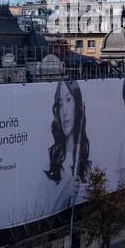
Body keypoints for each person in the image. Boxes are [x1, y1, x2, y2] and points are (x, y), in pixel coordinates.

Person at [41, 79, 92, 217]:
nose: (64, 112)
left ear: (78, 104)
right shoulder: (50, 162)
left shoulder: (90, 161)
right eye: (60, 104)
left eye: (68, 100)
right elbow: (45, 219)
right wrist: (65, 195)